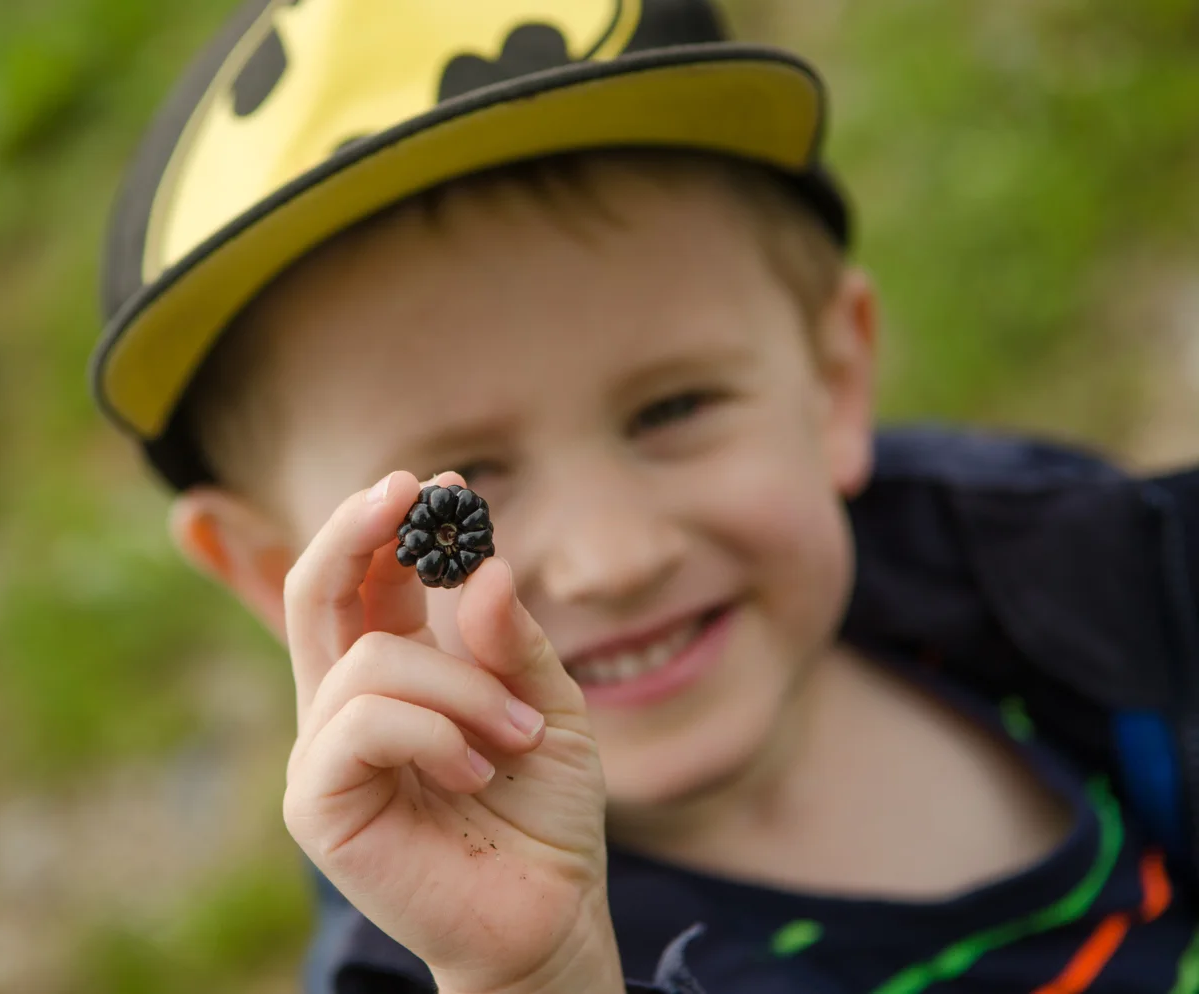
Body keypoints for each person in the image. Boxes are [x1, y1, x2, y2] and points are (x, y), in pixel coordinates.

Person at [88, 1, 1199, 991]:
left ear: (831, 383)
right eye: (460, 492)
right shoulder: (453, 961)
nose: (616, 557)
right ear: (280, 571)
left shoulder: (1069, 563)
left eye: (674, 408)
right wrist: (534, 976)